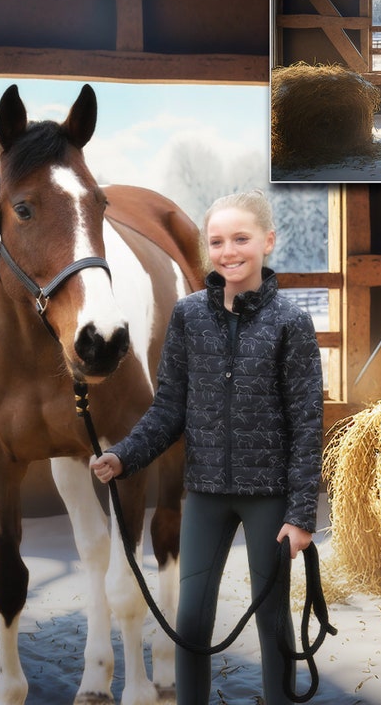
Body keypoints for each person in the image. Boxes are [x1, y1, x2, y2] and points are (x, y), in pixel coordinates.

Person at [91, 189, 324, 705]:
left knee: (273, 621)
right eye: (217, 241)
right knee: (191, 621)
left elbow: (308, 425)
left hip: (269, 498)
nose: (228, 251)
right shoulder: (188, 316)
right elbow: (167, 409)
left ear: (267, 241)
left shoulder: (291, 322)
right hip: (205, 495)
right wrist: (124, 455)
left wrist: (301, 514)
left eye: (241, 238)